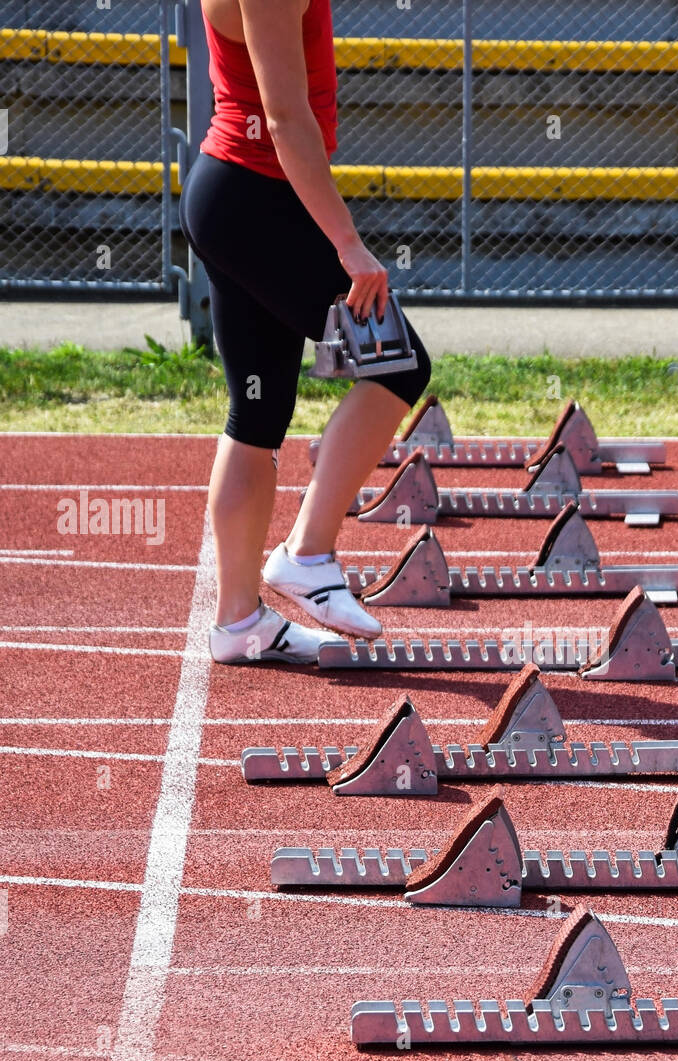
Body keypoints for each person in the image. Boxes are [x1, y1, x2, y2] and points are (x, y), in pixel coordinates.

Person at [179, 0, 431, 664]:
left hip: (239, 199)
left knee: (258, 414)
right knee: (400, 367)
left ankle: (238, 622)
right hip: (252, 199)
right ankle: (308, 556)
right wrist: (347, 244)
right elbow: (286, 119)